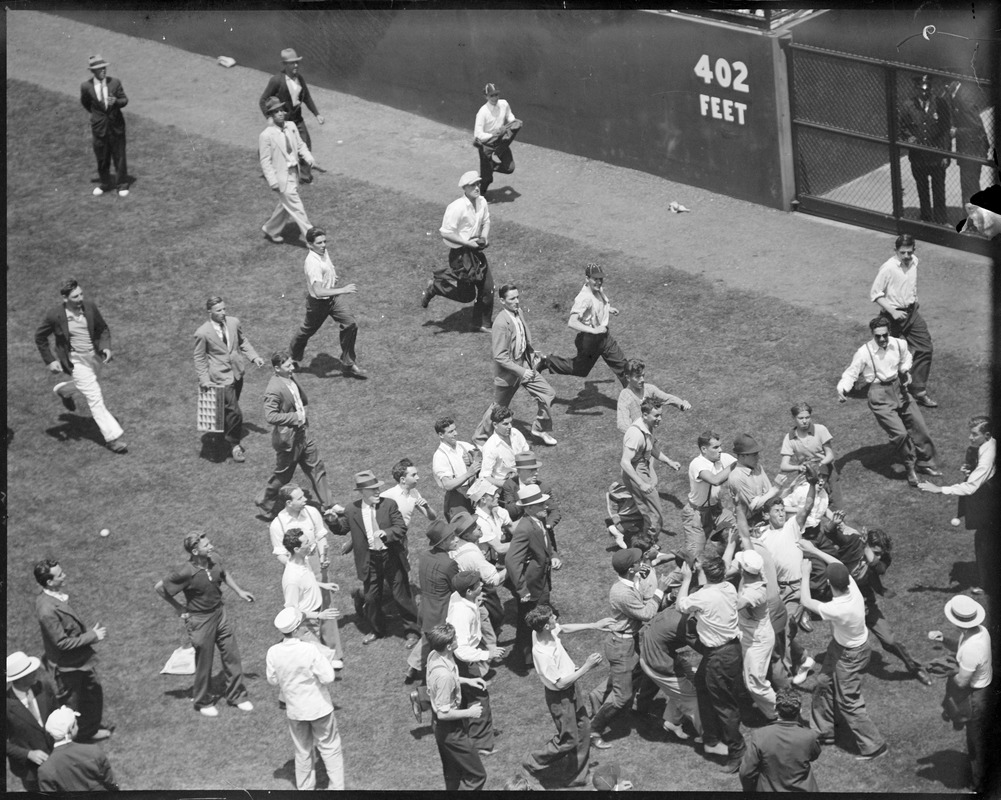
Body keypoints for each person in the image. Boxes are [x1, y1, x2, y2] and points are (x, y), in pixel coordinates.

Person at [154, 533, 255, 717]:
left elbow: (224, 574)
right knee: (204, 662)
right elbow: (160, 587)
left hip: (220, 613)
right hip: (200, 620)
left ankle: (237, 696)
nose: (211, 546)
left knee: (232, 655)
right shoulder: (186, 572)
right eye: (206, 545)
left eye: (210, 543)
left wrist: (239, 591)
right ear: (195, 551)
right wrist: (178, 607)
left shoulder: (214, 559)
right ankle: (202, 701)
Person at [798, 556, 887, 760]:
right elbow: (837, 560)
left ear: (829, 584)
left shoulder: (837, 609)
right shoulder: (853, 588)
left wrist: (804, 574)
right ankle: (823, 731)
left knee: (849, 701)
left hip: (851, 656)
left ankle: (874, 746)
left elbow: (806, 601)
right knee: (822, 683)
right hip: (840, 647)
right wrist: (813, 549)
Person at [837, 316, 940, 487]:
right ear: (872, 334)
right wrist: (842, 389)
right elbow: (851, 373)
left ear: (889, 332)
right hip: (879, 395)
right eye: (878, 336)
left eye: (884, 335)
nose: (882, 339)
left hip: (900, 389)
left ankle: (925, 464)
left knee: (919, 427)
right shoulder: (864, 352)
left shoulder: (899, 344)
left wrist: (905, 370)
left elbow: (906, 357)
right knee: (900, 434)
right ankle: (909, 467)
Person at [35, 279, 127, 454]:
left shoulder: (89, 307)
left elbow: (102, 329)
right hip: (74, 361)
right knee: (95, 397)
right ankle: (113, 438)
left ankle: (64, 390)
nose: (80, 298)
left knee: (90, 385)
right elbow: (40, 338)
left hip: (94, 357)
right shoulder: (54, 315)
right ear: (65, 298)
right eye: (75, 296)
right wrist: (50, 360)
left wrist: (106, 347)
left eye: (81, 294)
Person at [522, 604, 609, 788]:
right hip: (560, 698)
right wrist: (587, 666)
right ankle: (532, 761)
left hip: (571, 688)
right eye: (552, 617)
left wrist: (594, 625)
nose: (556, 618)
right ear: (546, 625)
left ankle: (577, 776)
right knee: (568, 740)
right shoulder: (542, 653)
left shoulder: (545, 631)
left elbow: (564, 628)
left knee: (584, 728)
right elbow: (560, 683)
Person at [588, 549, 666, 749]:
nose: (643, 562)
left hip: (627, 643)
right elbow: (647, 613)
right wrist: (660, 590)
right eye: (639, 561)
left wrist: (642, 579)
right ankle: (594, 729)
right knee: (623, 696)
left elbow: (638, 596)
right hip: (622, 646)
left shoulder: (628, 583)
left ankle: (598, 696)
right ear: (631, 568)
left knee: (635, 673)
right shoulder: (622, 593)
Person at [675, 555, 745, 773]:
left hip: (719, 656)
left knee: (725, 706)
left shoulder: (703, 596)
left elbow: (681, 605)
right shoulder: (729, 588)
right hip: (731, 651)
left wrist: (687, 579)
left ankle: (737, 752)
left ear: (706, 575)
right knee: (702, 685)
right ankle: (712, 738)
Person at [33, 559, 111, 742]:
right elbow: (62, 642)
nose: (64, 575)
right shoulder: (47, 609)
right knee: (71, 705)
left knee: (93, 693)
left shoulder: (54, 598)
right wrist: (92, 636)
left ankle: (88, 731)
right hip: (67, 667)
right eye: (60, 574)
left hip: (79, 661)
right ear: (49, 582)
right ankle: (71, 741)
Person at [918, 415, 997, 596]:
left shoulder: (987, 458)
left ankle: (987, 583)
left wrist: (939, 489)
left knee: (984, 541)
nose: (970, 437)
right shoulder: (989, 445)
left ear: (987, 435)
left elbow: (970, 487)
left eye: (974, 434)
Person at [266, 607, 344, 791]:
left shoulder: (273, 652)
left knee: (302, 751)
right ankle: (337, 789)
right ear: (295, 629)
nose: (304, 627)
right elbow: (328, 677)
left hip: (295, 711)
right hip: (319, 708)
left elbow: (272, 679)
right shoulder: (309, 650)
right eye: (301, 624)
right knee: (330, 748)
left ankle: (305, 790)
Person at [340, 470, 420, 647]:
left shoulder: (389, 505)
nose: (377, 492)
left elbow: (400, 527)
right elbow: (341, 528)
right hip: (370, 559)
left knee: (402, 596)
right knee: (371, 598)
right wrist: (331, 520)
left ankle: (412, 631)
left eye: (378, 488)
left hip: (391, 556)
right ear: (361, 492)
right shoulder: (352, 509)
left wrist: (387, 533)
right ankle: (377, 629)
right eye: (372, 489)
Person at [752, 478, 819, 685]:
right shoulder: (761, 536)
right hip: (778, 589)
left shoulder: (793, 526)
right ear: (766, 515)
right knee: (773, 631)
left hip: (797, 588)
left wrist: (813, 485)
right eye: (777, 511)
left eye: (782, 510)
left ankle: (787, 680)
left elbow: (807, 506)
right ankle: (803, 659)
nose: (782, 513)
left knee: (784, 632)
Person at [473, 284, 558, 446]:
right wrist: (521, 371)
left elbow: (522, 337)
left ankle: (539, 428)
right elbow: (500, 356)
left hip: (525, 365)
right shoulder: (500, 323)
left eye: (517, 297)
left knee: (548, 393)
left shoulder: (519, 313)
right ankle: (480, 439)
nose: (517, 301)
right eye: (512, 299)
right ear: (502, 301)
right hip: (509, 374)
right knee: (498, 409)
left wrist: (532, 354)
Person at [256, 351, 337, 519]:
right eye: (288, 366)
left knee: (317, 467)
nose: (292, 367)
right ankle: (264, 500)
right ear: (277, 368)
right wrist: (296, 417)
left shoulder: (290, 376)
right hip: (289, 440)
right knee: (283, 475)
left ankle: (329, 505)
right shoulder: (273, 389)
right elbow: (270, 416)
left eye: (292, 364)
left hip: (303, 433)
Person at [193, 295, 265, 463]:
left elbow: (242, 341)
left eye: (224, 309)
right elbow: (200, 358)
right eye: (218, 310)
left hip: (237, 372)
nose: (223, 313)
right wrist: (204, 380)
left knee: (229, 409)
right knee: (235, 412)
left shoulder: (233, 322)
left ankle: (222, 432)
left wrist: (254, 357)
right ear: (209, 311)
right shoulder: (202, 333)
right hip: (219, 377)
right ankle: (234, 444)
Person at [288, 226, 365, 379]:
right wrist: (343, 290)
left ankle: (348, 364)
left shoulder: (323, 251)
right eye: (319, 243)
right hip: (318, 304)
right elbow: (318, 291)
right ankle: (292, 357)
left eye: (324, 241)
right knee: (306, 331)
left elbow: (329, 265)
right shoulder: (312, 264)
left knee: (350, 324)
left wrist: (333, 276)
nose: (323, 245)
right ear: (310, 245)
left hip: (333, 299)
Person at [422, 171, 494, 333]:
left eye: (478, 184)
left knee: (488, 287)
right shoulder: (456, 207)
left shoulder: (482, 202)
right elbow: (445, 232)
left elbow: (486, 221)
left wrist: (484, 237)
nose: (477, 188)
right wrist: (466, 242)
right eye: (473, 185)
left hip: (476, 250)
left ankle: (482, 323)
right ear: (465, 188)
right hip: (460, 255)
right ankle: (436, 286)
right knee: (466, 295)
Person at [869, 234, 936, 407]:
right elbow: (875, 294)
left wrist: (914, 298)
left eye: (909, 252)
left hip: (911, 313)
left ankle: (918, 390)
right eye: (902, 253)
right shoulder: (888, 268)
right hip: (891, 316)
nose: (906, 256)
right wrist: (893, 311)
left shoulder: (915, 262)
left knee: (925, 348)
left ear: (914, 250)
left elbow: (909, 284)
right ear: (895, 251)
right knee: (886, 354)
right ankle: (878, 387)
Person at [543, 263, 631, 388]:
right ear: (587, 279)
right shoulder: (584, 298)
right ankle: (546, 361)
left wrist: (608, 309)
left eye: (600, 279)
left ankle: (637, 400)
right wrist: (594, 331)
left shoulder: (597, 289)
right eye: (595, 279)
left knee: (623, 367)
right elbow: (572, 322)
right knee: (580, 370)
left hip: (604, 338)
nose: (599, 282)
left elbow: (597, 305)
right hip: (590, 341)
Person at [940, 595, 994, 792]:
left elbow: (962, 680)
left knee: (976, 743)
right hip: (983, 689)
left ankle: (980, 785)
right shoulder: (980, 631)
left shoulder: (972, 648)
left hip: (976, 695)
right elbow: (961, 647)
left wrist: (946, 673)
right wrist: (944, 640)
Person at [425, 622, 487, 791]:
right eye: (455, 638)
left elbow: (447, 680)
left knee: (453, 773)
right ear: (448, 645)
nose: (457, 639)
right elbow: (443, 714)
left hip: (442, 729)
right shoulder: (444, 675)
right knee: (477, 775)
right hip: (451, 730)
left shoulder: (434, 655)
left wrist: (468, 681)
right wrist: (470, 712)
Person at [506, 484, 561, 669]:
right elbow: (512, 561)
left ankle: (536, 653)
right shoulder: (525, 528)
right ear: (528, 508)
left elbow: (546, 545)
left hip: (542, 579)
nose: (545, 507)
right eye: (540, 505)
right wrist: (522, 589)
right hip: (532, 585)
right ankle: (529, 657)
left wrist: (553, 557)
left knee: (538, 616)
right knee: (530, 621)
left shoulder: (537, 521)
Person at [446, 571, 498, 756]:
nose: (482, 585)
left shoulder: (459, 597)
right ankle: (481, 743)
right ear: (469, 590)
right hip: (462, 660)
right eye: (477, 585)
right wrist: (486, 654)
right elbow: (461, 650)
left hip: (455, 657)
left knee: (457, 691)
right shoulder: (462, 614)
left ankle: (422, 697)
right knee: (479, 696)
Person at [638, 595, 703, 742]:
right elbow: (708, 649)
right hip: (658, 664)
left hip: (653, 654)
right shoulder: (686, 625)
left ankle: (672, 722)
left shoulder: (678, 606)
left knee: (690, 684)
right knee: (693, 699)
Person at [258, 48, 324, 183]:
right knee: (273, 145)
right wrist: (269, 117)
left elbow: (307, 97)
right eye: (292, 63)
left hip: (297, 119)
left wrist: (317, 114)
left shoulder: (299, 79)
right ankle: (269, 171)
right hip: (281, 120)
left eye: (297, 63)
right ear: (285, 65)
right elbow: (263, 100)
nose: (295, 66)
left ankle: (305, 176)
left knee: (305, 142)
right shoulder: (276, 81)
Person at [725, 548, 776, 720]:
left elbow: (734, 607)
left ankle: (780, 713)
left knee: (755, 683)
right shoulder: (754, 572)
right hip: (748, 635)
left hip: (758, 641)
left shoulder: (755, 592)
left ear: (743, 570)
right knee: (744, 675)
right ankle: (745, 700)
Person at [406, 520, 460, 683]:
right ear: (442, 542)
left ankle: (413, 667)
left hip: (425, 609)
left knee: (427, 639)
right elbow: (456, 587)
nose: (456, 539)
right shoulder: (449, 564)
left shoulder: (424, 556)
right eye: (452, 538)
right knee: (442, 652)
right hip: (440, 613)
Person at [620, 397, 682, 540]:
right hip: (634, 471)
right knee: (655, 511)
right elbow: (624, 462)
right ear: (645, 415)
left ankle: (625, 527)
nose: (660, 419)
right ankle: (648, 543)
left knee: (646, 507)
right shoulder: (635, 434)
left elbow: (651, 448)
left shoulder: (648, 427)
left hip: (642, 466)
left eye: (661, 415)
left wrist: (669, 462)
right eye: (656, 416)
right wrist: (641, 483)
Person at [281, 528, 343, 666]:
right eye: (307, 543)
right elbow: (292, 612)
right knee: (314, 663)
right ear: (297, 549)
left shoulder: (303, 560)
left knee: (318, 660)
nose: (311, 545)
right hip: (305, 625)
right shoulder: (292, 579)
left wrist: (323, 585)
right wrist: (319, 615)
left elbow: (307, 581)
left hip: (314, 615)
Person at [739, 689, 821, 792]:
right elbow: (814, 755)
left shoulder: (760, 735)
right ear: (800, 710)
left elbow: (746, 772)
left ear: (776, 710)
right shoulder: (810, 736)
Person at [259, 96, 314, 244]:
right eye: (276, 112)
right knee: (297, 208)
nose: (281, 113)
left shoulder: (291, 126)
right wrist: (273, 181)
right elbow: (265, 161)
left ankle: (270, 228)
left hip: (294, 173)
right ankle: (312, 240)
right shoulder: (266, 136)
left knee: (285, 205)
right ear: (271, 115)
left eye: (281, 110)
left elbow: (300, 144)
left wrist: (308, 157)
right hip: (281, 178)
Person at [899, 73, 951, 224]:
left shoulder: (940, 103)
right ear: (916, 89)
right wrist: (909, 138)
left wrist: (945, 154)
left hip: (936, 156)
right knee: (922, 190)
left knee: (939, 190)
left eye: (927, 89)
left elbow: (945, 130)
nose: (924, 92)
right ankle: (926, 218)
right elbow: (902, 128)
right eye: (921, 90)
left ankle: (941, 220)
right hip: (918, 157)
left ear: (931, 89)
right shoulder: (907, 106)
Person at [6, 651, 57, 791]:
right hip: (31, 771)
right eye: (30, 671)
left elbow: (57, 712)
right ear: (20, 678)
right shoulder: (5, 705)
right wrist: (28, 754)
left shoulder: (44, 687)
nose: (35, 672)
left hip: (57, 758)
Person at [36, 706, 119, 792]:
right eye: (76, 723)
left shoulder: (45, 770)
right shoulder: (93, 751)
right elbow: (110, 781)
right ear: (71, 729)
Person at [681, 431, 737, 558]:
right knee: (693, 558)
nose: (720, 450)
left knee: (739, 529)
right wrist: (735, 465)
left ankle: (725, 558)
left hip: (716, 511)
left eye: (720, 446)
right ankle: (674, 575)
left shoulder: (723, 457)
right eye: (716, 447)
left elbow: (743, 466)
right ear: (704, 449)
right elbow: (715, 480)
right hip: (697, 515)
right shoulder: (697, 464)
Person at [80, 54, 128, 197]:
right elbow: (86, 104)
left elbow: (124, 100)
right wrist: (98, 117)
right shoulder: (86, 86)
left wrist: (116, 102)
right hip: (99, 128)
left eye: (104, 68)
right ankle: (105, 183)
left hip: (116, 126)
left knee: (119, 156)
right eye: (99, 69)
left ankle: (122, 185)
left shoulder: (115, 83)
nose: (103, 71)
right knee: (102, 157)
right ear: (93, 71)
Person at [778, 401, 842, 509]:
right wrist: (798, 467)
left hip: (827, 470)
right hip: (807, 475)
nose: (805, 421)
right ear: (794, 418)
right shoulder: (789, 437)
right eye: (801, 418)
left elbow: (830, 455)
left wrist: (820, 464)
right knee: (812, 507)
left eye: (807, 417)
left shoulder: (820, 429)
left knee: (837, 506)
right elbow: (784, 466)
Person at [944, 79, 990, 208]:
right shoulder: (957, 96)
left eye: (947, 82)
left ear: (955, 82)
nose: (945, 86)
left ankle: (974, 221)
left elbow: (975, 128)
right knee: (969, 186)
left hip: (973, 150)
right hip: (968, 149)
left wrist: (956, 132)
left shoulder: (963, 99)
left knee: (970, 187)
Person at [616, 358, 690, 434]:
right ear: (628, 378)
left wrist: (682, 404)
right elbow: (622, 423)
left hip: (649, 438)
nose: (642, 380)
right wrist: (636, 435)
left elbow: (667, 398)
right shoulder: (625, 396)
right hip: (635, 441)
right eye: (638, 377)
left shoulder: (649, 389)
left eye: (643, 375)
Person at [473, 83, 522, 197]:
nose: (495, 98)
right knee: (487, 179)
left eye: (496, 95)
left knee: (510, 168)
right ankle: (479, 196)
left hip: (501, 142)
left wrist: (511, 123)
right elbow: (478, 134)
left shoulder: (504, 104)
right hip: (486, 145)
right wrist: (492, 135)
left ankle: (492, 166)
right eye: (491, 96)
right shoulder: (482, 112)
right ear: (486, 97)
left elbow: (510, 116)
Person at [431, 416, 482, 520]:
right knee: (467, 529)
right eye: (451, 432)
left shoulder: (463, 445)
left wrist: (473, 459)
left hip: (474, 490)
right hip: (457, 498)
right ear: (441, 435)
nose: (456, 433)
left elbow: (481, 456)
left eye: (455, 430)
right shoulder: (440, 456)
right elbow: (447, 485)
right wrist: (469, 473)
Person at [728, 433, 782, 527]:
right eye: (754, 455)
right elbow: (753, 506)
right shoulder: (736, 477)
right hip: (748, 524)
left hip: (765, 517)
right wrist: (776, 489)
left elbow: (769, 493)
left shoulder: (757, 467)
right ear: (742, 456)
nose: (758, 457)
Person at [479, 405, 531, 485]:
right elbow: (484, 476)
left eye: (511, 422)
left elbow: (527, 453)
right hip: (506, 485)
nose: (510, 426)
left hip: (524, 477)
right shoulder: (490, 447)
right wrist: (506, 484)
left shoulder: (515, 433)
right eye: (506, 424)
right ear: (495, 425)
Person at [382, 458, 437, 527]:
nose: (418, 477)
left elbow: (433, 517)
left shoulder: (414, 493)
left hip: (402, 534)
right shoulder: (388, 496)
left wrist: (427, 507)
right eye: (413, 475)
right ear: (403, 479)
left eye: (417, 474)